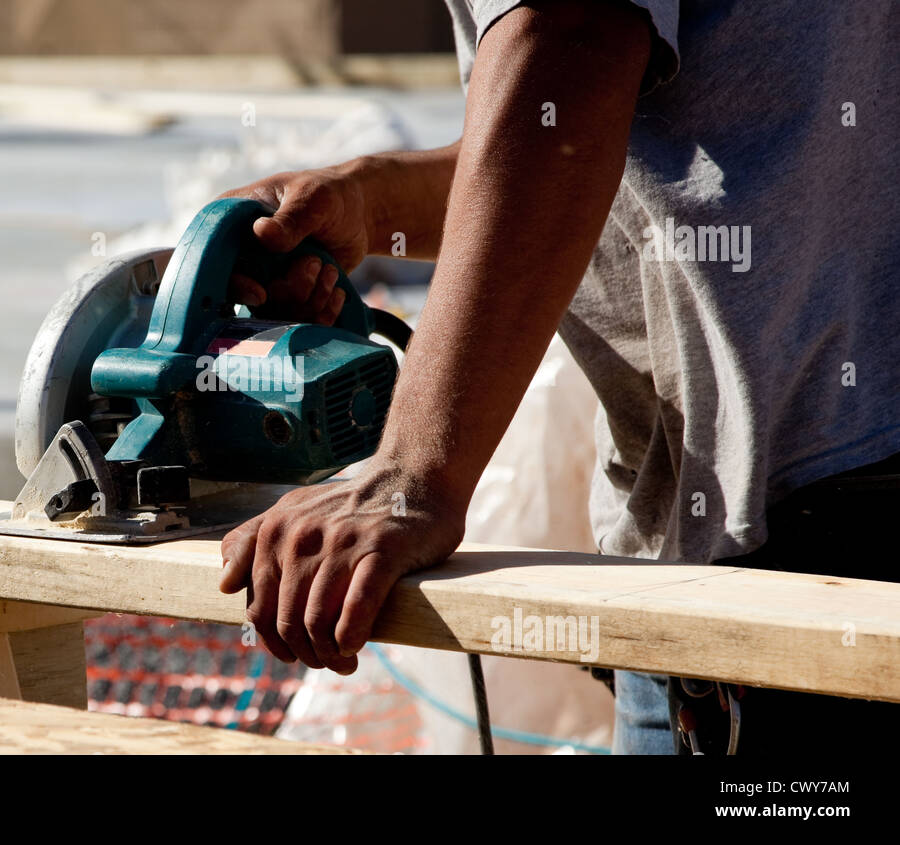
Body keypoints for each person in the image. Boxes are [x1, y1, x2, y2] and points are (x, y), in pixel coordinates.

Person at [215, 0, 899, 753]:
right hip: (764, 517)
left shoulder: (576, 40)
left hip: (811, 546)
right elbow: (574, 142)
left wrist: (413, 469)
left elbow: (574, 42)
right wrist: (369, 203)